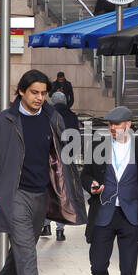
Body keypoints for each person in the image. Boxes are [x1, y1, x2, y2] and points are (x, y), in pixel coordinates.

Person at [0, 69, 87, 275]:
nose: (39, 98)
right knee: (28, 256)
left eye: (43, 93)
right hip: (15, 196)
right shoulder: (5, 121)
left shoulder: (53, 119)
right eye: (34, 92)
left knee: (20, 255)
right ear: (21, 92)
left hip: (42, 196)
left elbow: (64, 155)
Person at [82, 106, 138, 275]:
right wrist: (91, 185)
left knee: (128, 268)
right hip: (104, 214)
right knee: (97, 265)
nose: (113, 128)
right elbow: (85, 173)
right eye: (110, 124)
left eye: (117, 124)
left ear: (128, 125)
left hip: (130, 214)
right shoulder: (99, 145)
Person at [47, 90, 81, 241]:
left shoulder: (47, 115)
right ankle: (60, 230)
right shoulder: (72, 116)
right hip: (66, 159)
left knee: (48, 192)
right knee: (63, 193)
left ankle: (46, 225)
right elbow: (76, 137)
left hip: (49, 159)